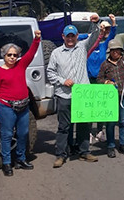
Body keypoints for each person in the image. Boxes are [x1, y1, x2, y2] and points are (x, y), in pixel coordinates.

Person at [46, 17, 102, 168]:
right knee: (64, 126)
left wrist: (95, 23)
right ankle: (61, 155)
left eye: (73, 36)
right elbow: (50, 72)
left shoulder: (82, 47)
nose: (70, 39)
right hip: (64, 95)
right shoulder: (56, 53)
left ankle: (84, 152)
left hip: (82, 94)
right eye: (68, 36)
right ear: (63, 37)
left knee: (84, 125)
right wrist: (63, 80)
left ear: (77, 36)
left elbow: (96, 35)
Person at [0, 30, 41, 176]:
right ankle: (6, 163)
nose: (12, 57)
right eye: (9, 55)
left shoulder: (21, 65)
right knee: (6, 135)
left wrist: (37, 39)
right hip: (7, 107)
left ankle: (20, 159)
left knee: (23, 133)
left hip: (23, 106)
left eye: (15, 55)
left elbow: (31, 53)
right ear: (4, 55)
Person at [97, 38, 124, 158]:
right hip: (111, 99)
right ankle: (110, 146)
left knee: (123, 122)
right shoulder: (105, 64)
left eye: (117, 50)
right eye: (113, 50)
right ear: (109, 51)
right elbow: (99, 79)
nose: (115, 52)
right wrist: (106, 82)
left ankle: (123, 144)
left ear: (121, 50)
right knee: (111, 123)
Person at [86, 16, 117, 143]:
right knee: (89, 107)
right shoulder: (87, 47)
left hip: (101, 80)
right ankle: (88, 132)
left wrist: (113, 22)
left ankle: (100, 131)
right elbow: (82, 36)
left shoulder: (103, 46)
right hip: (89, 81)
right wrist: (94, 25)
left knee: (100, 107)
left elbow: (112, 35)